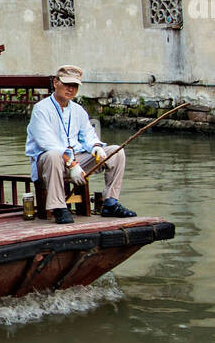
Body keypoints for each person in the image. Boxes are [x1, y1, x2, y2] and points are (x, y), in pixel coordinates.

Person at [26, 64, 136, 224]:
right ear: (56, 82)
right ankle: (59, 208)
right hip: (50, 163)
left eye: (74, 86)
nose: (70, 89)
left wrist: (96, 147)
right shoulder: (41, 109)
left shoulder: (78, 110)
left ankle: (110, 202)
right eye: (66, 84)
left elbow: (88, 136)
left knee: (116, 152)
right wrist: (72, 164)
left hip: (77, 159)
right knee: (53, 155)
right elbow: (47, 143)